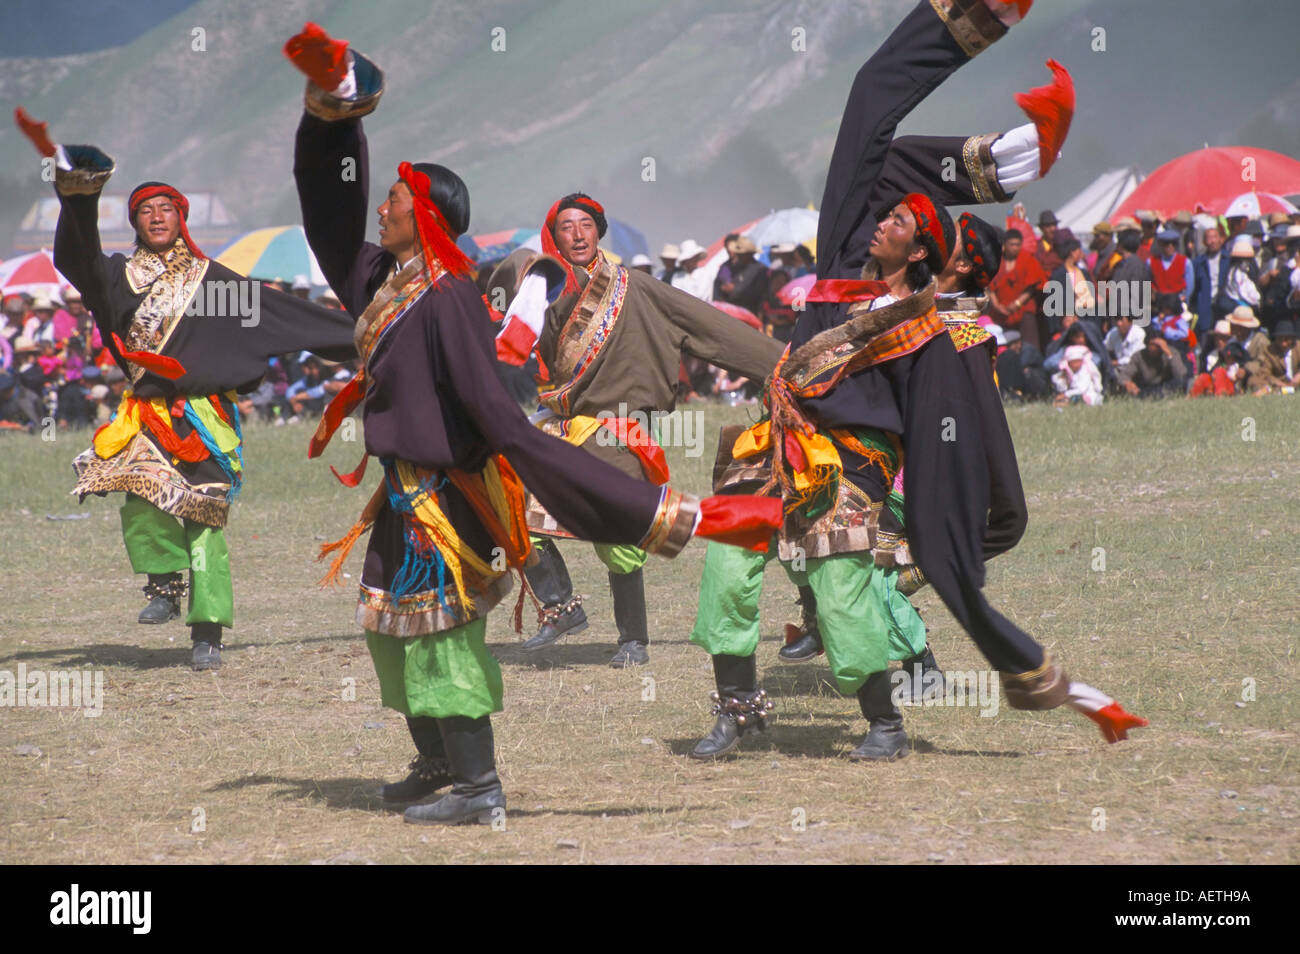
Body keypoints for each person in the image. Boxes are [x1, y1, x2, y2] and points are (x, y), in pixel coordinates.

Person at [286, 24, 779, 823]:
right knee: (389, 631)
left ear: (430, 218)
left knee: (441, 638)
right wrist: (334, 116)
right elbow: (327, 210)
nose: (380, 210)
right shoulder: (383, 280)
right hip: (400, 491)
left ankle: (481, 791)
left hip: (446, 499)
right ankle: (437, 760)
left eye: (395, 201)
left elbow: (497, 418)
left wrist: (646, 508)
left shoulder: (447, 299)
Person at [16, 105, 358, 671]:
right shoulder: (115, 276)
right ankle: (163, 586)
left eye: (165, 208)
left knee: (204, 517)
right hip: (146, 413)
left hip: (203, 417)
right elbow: (75, 256)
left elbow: (281, 315)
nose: (156, 216)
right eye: (145, 210)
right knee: (138, 497)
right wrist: (78, 197)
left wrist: (364, 335)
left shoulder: (213, 280)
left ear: (182, 216)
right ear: (134, 222)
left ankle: (207, 632)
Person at [487, 189, 784, 668]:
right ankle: (561, 608)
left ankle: (634, 638)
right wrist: (529, 270)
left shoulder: (638, 289)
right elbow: (503, 297)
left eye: (586, 223)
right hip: (564, 426)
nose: (578, 233)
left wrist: (784, 363)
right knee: (508, 497)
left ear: (599, 231)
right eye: (567, 226)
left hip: (621, 429)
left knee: (618, 533)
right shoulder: (545, 290)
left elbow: (706, 326)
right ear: (555, 238)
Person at [986, 228, 1047, 348]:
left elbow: (1032, 286)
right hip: (1000, 309)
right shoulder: (997, 260)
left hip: (1023, 307)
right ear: (1005, 244)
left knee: (1029, 342)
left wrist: (1017, 303)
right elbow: (989, 286)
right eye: (1012, 244)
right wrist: (997, 305)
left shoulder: (1027, 259)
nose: (1015, 248)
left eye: (1018, 244)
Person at [1118, 328, 1187, 398]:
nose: (1155, 348)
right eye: (1152, 344)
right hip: (1146, 388)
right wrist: (1127, 383)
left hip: (1166, 387)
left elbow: (1181, 374)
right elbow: (1124, 374)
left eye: (1158, 345)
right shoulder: (1138, 356)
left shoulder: (1171, 352)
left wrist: (1169, 354)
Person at [1244, 318, 1299, 393]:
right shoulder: (1269, 351)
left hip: (1297, 382)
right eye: (1280, 339)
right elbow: (1265, 373)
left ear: (1293, 338)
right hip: (1279, 383)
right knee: (1254, 380)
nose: (1283, 343)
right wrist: (1280, 384)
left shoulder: (1298, 347)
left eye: (1286, 339)